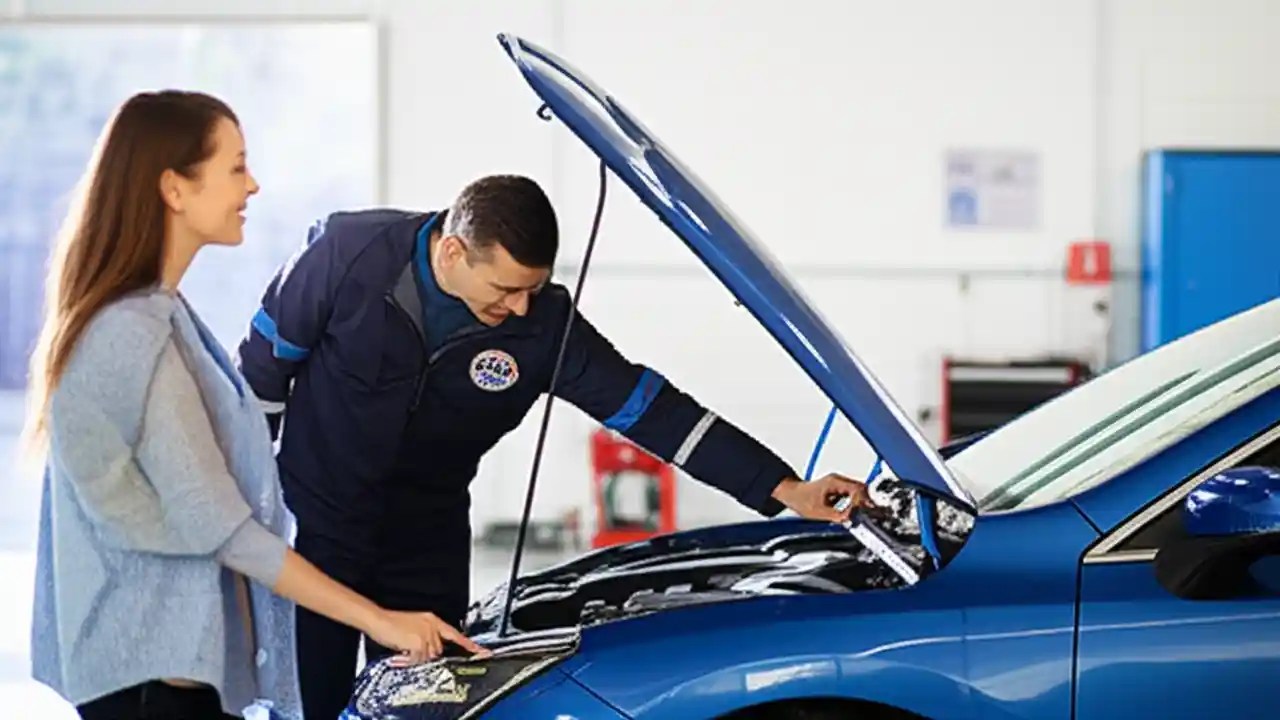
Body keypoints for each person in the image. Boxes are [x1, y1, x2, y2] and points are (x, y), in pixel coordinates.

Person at [235, 173, 876, 718]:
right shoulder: (350, 254)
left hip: (424, 540)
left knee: (428, 708)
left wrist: (785, 486)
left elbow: (651, 409)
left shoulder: (543, 327)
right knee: (304, 706)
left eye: (532, 290)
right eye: (505, 290)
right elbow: (261, 377)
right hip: (314, 529)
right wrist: (243, 512)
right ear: (454, 252)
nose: (519, 308)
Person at [21, 90, 482, 720]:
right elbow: (221, 525)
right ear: (174, 189)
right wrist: (383, 622)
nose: (253, 185)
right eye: (235, 167)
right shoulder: (131, 333)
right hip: (149, 683)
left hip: (169, 672)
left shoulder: (160, 315)